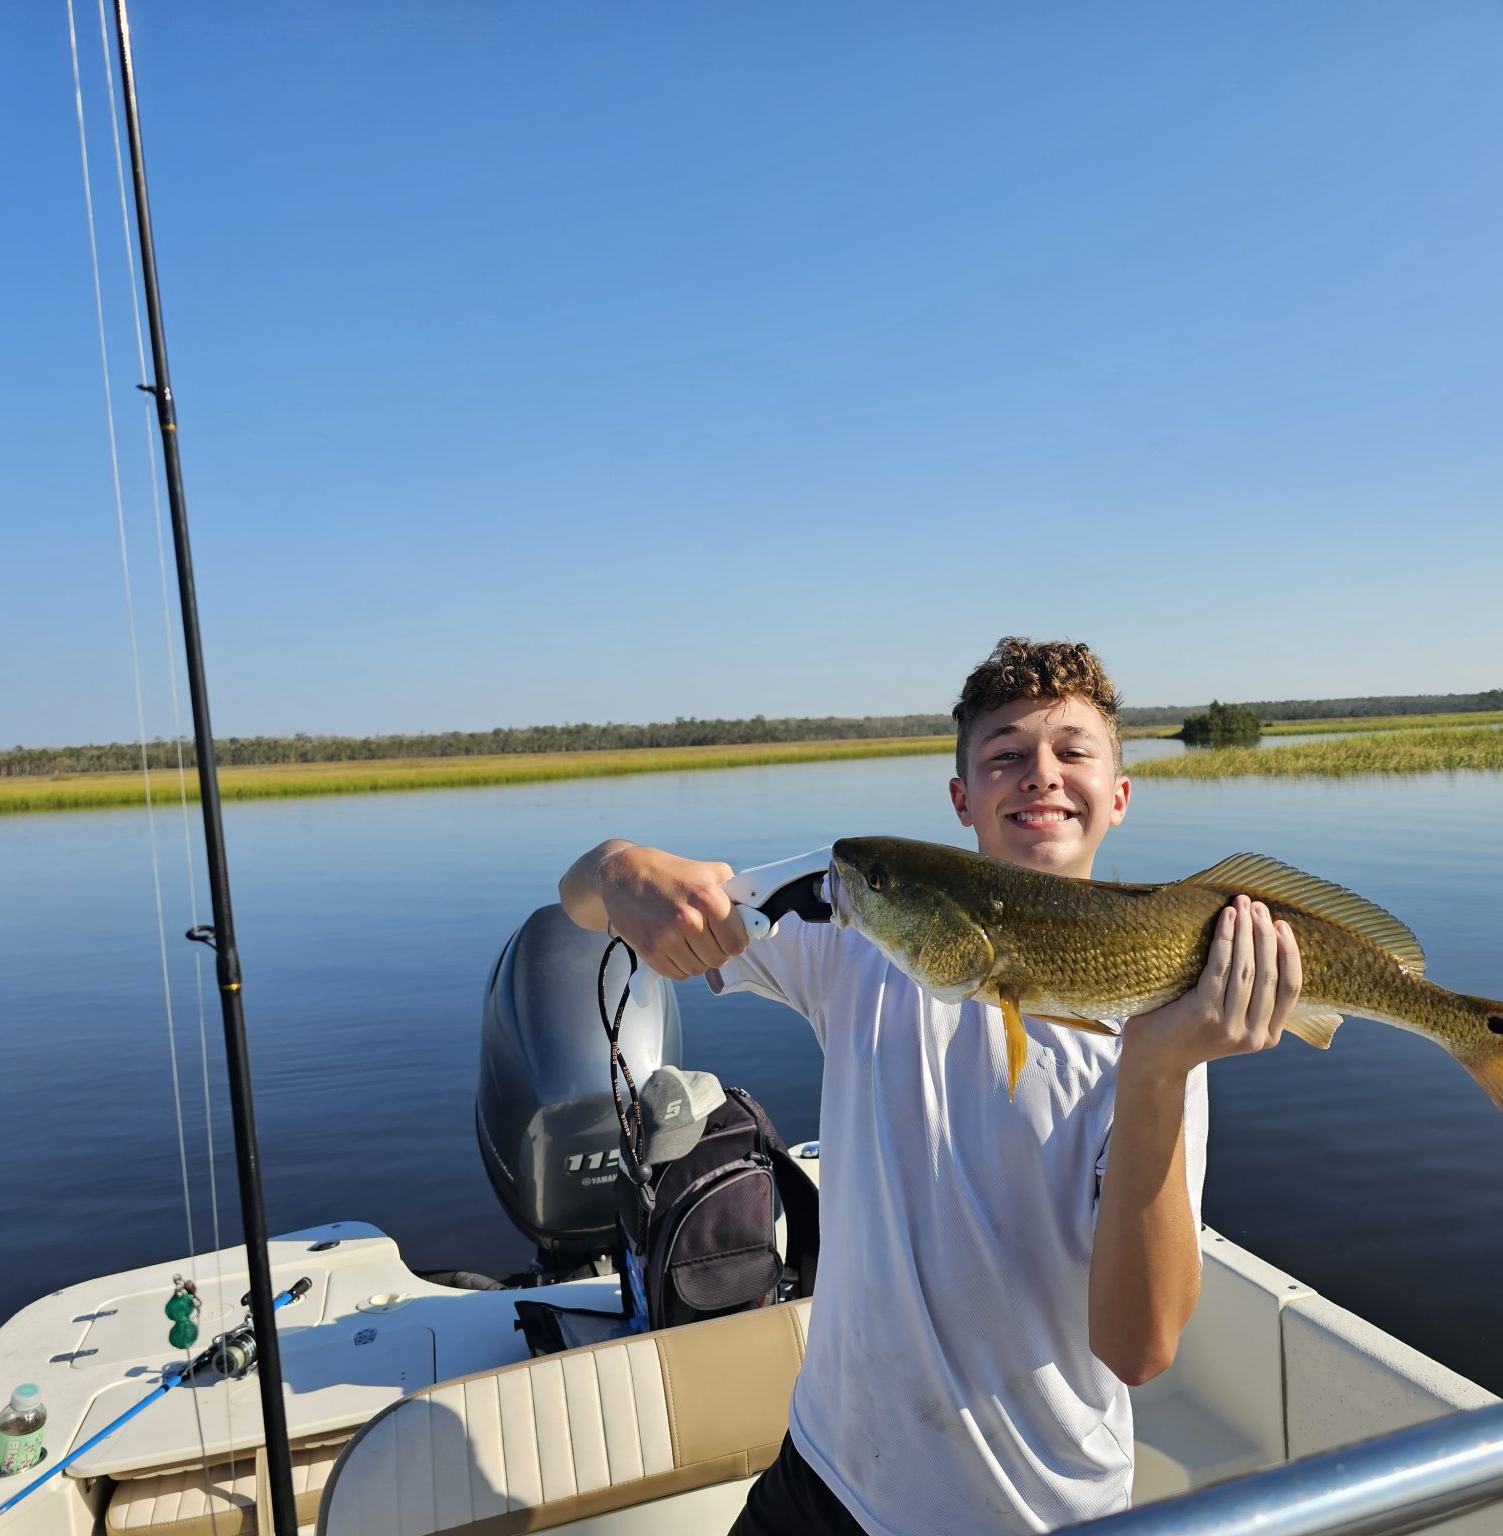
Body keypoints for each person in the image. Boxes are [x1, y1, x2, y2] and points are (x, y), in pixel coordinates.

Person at [557, 637, 1300, 1535]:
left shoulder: (1171, 1016)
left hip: (1037, 1513)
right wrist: (619, 869)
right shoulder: (864, 911)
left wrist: (1158, 1067)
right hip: (826, 1476)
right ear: (961, 799)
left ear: (1120, 795)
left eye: (1072, 751)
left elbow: (1140, 1349)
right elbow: (586, 901)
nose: (1040, 775)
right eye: (1004, 756)